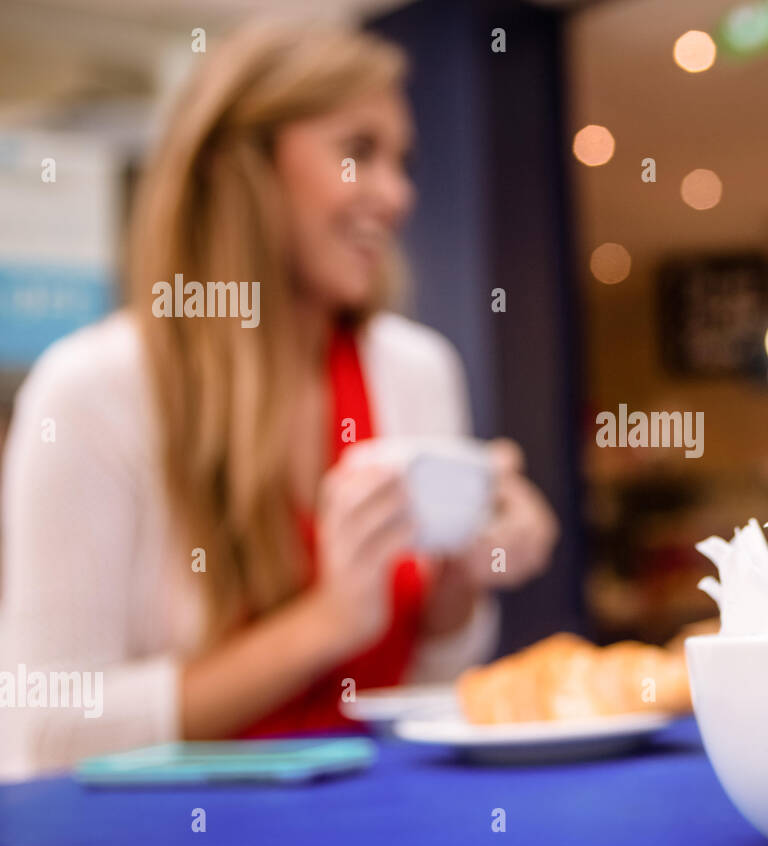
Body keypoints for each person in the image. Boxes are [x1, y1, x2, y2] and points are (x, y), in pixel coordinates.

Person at [0, 21, 557, 778]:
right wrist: (324, 624)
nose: (397, 196)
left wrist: (462, 576)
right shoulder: (93, 392)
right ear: (245, 170)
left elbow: (428, 683)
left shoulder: (416, 370)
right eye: (358, 151)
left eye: (404, 161)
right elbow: (45, 730)